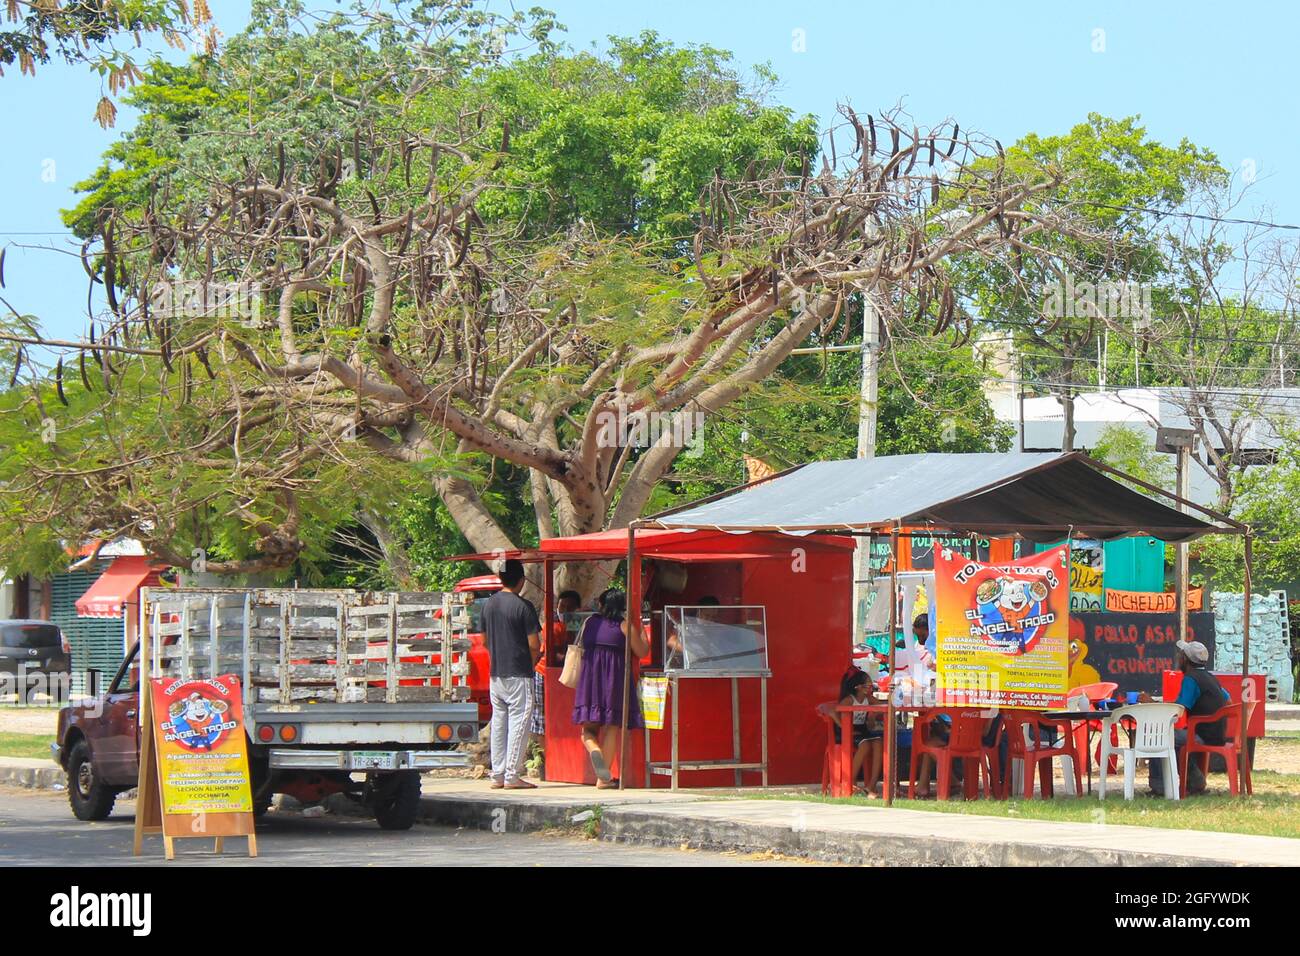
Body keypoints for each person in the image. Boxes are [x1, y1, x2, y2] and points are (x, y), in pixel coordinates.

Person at [572, 588, 650, 788]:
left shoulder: (589, 623)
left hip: (590, 678)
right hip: (615, 679)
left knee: (587, 730)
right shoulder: (624, 627)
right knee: (612, 727)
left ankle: (594, 750)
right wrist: (639, 626)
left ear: (601, 604)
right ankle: (603, 779)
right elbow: (642, 650)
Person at [482, 559, 542, 790]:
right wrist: (532, 661)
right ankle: (511, 775)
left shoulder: (489, 605)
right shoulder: (523, 607)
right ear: (521, 580)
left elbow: (485, 641)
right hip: (519, 672)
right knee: (519, 722)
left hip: (496, 673)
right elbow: (534, 644)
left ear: (500, 578)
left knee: (499, 722)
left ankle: (497, 774)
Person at [1145, 639, 1230, 796]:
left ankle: (1159, 787)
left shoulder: (1191, 679)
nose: (1178, 658)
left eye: (1180, 655)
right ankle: (1195, 780)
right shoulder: (1210, 678)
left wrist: (1150, 702)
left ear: (1185, 660)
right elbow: (1228, 700)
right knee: (1176, 740)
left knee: (1157, 737)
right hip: (1217, 733)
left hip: (1201, 735)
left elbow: (1177, 710)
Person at [532, 590, 581, 747]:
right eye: (562, 605)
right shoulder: (551, 623)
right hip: (546, 672)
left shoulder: (578, 623)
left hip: (566, 672)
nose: (565, 609)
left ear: (577, 609)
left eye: (569, 607)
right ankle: (544, 755)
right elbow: (555, 651)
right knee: (542, 715)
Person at [836, 667, 884, 797]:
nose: (870, 687)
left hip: (862, 730)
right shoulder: (850, 700)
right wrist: (845, 728)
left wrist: (873, 715)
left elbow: (883, 707)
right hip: (848, 731)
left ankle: (871, 785)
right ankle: (849, 782)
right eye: (868, 685)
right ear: (858, 687)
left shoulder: (869, 699)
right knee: (866, 744)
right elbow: (835, 712)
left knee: (879, 742)